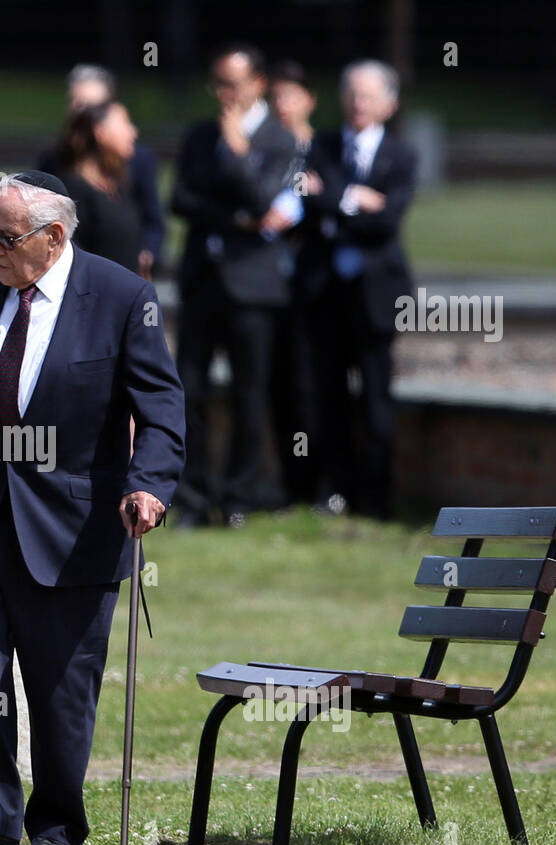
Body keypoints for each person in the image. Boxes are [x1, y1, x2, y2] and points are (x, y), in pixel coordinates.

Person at [0, 172, 185, 845]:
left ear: (54, 237)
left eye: (6, 239)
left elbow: (161, 407)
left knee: (61, 689)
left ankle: (56, 825)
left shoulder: (122, 297)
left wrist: (149, 486)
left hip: (75, 526)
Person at [171, 43, 297, 527]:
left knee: (250, 392)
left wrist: (239, 151)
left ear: (258, 84)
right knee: (190, 390)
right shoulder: (201, 135)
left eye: (233, 84)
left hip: (254, 286)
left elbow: (264, 197)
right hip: (204, 279)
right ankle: (194, 497)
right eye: (218, 83)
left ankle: (239, 496)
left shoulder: (279, 139)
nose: (224, 94)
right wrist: (235, 218)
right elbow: (181, 199)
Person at [298, 60, 417, 519]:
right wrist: (354, 199)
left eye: (368, 95)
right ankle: (336, 490)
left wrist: (332, 199)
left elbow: (389, 220)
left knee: (375, 396)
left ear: (389, 104)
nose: (358, 103)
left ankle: (377, 498)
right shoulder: (320, 146)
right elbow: (302, 195)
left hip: (376, 296)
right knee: (327, 395)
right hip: (325, 292)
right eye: (351, 93)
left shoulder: (402, 155)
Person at [37, 64, 165, 279]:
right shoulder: (57, 163)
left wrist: (148, 255)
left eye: (90, 106)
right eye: (75, 102)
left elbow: (151, 218)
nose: (80, 111)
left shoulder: (132, 163)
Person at [265, 59, 320, 507]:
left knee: (310, 385)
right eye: (275, 97)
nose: (282, 105)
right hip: (267, 283)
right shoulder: (264, 147)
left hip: (310, 285)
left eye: (290, 96)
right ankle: (288, 484)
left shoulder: (321, 149)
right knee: (276, 386)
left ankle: (313, 485)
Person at [53, 100, 143, 274]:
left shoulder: (118, 185)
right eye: (125, 123)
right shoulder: (73, 189)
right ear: (100, 132)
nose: (133, 132)